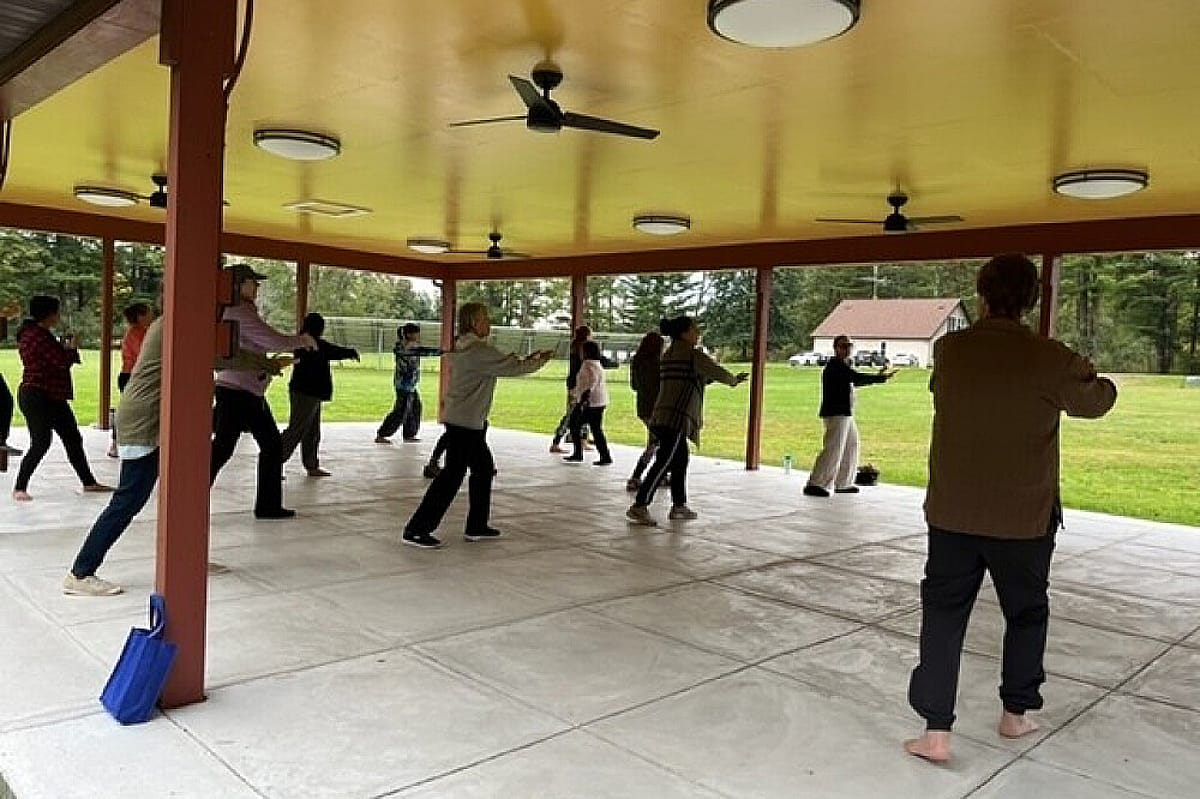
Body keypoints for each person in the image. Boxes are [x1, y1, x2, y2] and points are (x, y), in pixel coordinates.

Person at [904, 254, 1117, 763]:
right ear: (1032, 301)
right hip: (1023, 519)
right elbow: (1098, 402)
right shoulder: (1050, 358)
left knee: (943, 616)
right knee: (1026, 614)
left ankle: (936, 731)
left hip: (953, 513)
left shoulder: (950, 351)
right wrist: (1089, 370)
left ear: (981, 296)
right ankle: (1015, 713)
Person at [64, 316, 286, 595]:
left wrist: (265, 363)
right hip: (145, 422)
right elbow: (221, 358)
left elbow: (218, 358)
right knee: (129, 500)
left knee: (186, 493)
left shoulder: (181, 319)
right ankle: (80, 573)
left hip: (166, 423)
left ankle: (187, 559)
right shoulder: (180, 321)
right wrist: (268, 363)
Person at [402, 302, 552, 548]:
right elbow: (514, 367)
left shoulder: (464, 346)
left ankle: (477, 525)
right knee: (452, 477)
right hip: (466, 423)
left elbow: (504, 363)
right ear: (473, 322)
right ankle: (417, 530)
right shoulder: (479, 351)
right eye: (484, 318)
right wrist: (540, 360)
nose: (488, 322)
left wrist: (528, 359)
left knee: (482, 470)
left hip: (465, 420)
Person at [210, 264, 316, 519]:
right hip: (240, 392)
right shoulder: (240, 311)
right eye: (253, 282)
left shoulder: (235, 310)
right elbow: (271, 341)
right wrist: (302, 340)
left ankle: (265, 505)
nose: (257, 286)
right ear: (238, 284)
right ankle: (266, 505)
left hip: (240, 390)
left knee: (230, 447)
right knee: (260, 446)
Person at [626, 316, 748, 526]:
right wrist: (734, 380)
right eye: (694, 329)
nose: (697, 333)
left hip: (661, 415)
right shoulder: (693, 355)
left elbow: (692, 377)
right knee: (664, 462)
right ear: (684, 333)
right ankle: (640, 505)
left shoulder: (668, 355)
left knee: (680, 459)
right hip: (676, 417)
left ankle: (679, 506)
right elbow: (716, 372)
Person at [11, 295, 112, 501]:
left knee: (73, 438)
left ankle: (88, 482)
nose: (59, 315)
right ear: (49, 314)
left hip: (53, 396)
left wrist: (66, 348)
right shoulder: (35, 336)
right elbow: (59, 361)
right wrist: (71, 349)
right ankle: (20, 487)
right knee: (41, 442)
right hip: (37, 395)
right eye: (57, 311)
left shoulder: (41, 334)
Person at [801, 334, 896, 498]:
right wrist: (880, 378)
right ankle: (816, 483)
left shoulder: (843, 366)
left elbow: (854, 381)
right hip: (836, 413)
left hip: (845, 413)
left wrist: (878, 376)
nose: (847, 349)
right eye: (843, 346)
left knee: (851, 445)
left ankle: (844, 483)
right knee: (833, 448)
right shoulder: (835, 366)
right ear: (836, 348)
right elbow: (856, 377)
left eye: (849, 346)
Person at [280, 312, 360, 477]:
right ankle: (273, 462)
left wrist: (349, 352)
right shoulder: (306, 343)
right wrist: (350, 352)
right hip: (305, 393)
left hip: (311, 393)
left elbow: (329, 350)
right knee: (297, 430)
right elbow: (331, 351)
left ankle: (311, 465)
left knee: (311, 431)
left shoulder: (309, 342)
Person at [549, 325, 617, 453]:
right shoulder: (584, 349)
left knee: (580, 414)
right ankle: (557, 441)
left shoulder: (576, 348)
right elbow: (601, 361)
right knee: (572, 415)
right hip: (579, 387)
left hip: (575, 385)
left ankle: (581, 440)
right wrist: (613, 363)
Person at [375, 323, 441, 444]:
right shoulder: (405, 347)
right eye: (416, 334)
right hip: (404, 385)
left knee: (415, 408)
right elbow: (423, 351)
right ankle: (382, 434)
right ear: (409, 334)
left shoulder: (410, 345)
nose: (418, 336)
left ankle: (409, 434)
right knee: (401, 411)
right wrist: (442, 351)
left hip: (411, 385)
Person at [107, 302, 155, 458]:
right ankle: (116, 443)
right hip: (131, 376)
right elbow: (144, 353)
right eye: (148, 313)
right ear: (140, 317)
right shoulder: (137, 333)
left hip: (131, 375)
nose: (152, 316)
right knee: (129, 411)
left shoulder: (140, 332)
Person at [564, 341, 613, 465]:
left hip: (590, 403)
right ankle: (604, 455)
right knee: (595, 429)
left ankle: (579, 453)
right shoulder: (596, 363)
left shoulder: (588, 365)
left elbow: (591, 381)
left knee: (574, 425)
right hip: (598, 401)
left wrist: (583, 398)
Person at [626, 331, 664, 492]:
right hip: (657, 408)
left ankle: (660, 474)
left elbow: (634, 386)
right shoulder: (658, 364)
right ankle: (636, 476)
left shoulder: (637, 362)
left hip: (643, 407)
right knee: (655, 443)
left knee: (657, 442)